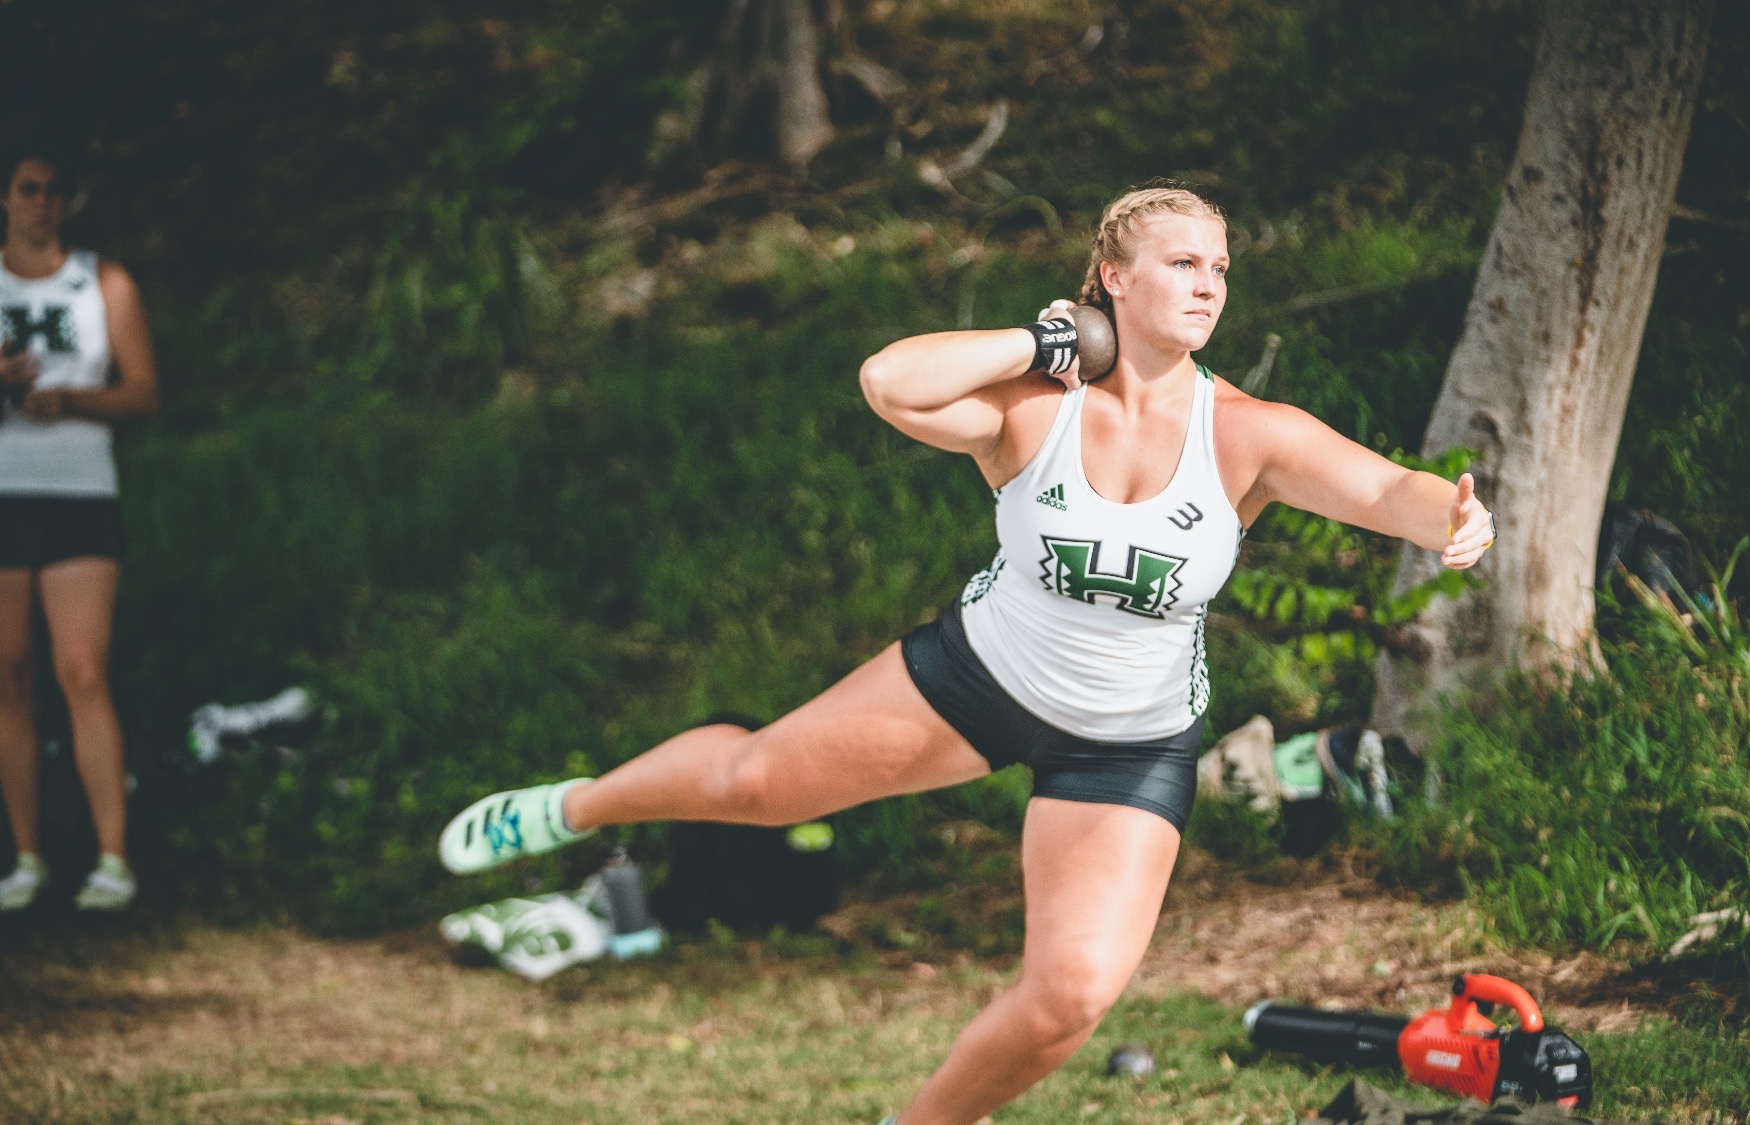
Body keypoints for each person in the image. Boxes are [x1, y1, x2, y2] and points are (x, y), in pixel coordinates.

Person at [437, 184, 1494, 1124]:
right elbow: (889, 381)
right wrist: (1049, 342)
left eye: (1219, 267)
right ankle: (574, 807)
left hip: (1124, 749)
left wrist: (1444, 516)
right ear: (1110, 279)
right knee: (754, 785)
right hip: (975, 680)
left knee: (1069, 1001)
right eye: (1181, 262)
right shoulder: (1031, 410)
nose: (1208, 284)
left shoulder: (1247, 433)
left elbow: (1380, 489)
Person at [0, 149, 161, 913]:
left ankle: (113, 857)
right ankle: (27, 857)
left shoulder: (103, 282)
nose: (42, 204)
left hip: (80, 493)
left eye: (54, 191)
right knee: (9, 671)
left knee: (81, 669)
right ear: (6, 198)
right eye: (29, 190)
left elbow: (142, 391)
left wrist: (70, 401)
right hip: (4, 493)